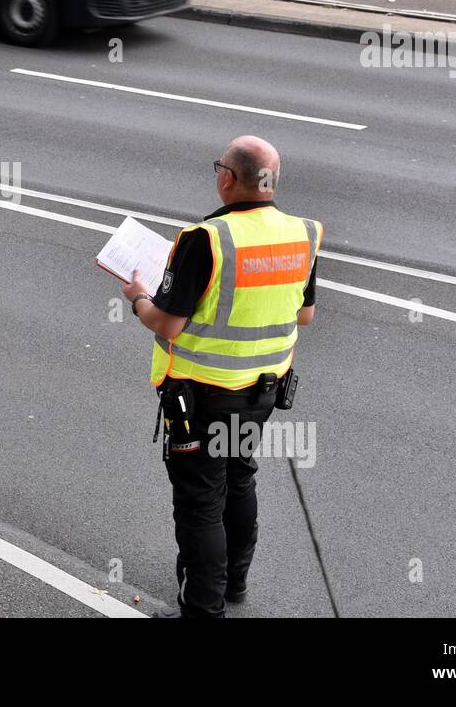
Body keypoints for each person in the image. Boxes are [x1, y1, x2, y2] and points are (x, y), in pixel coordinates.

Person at [120, 135, 323, 618]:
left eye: (219, 168)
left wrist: (136, 297)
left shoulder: (206, 239)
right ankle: (234, 583)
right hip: (263, 392)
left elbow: (167, 323)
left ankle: (203, 610)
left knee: (200, 503)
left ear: (228, 177)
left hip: (199, 398)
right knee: (238, 478)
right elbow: (305, 315)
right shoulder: (304, 233)